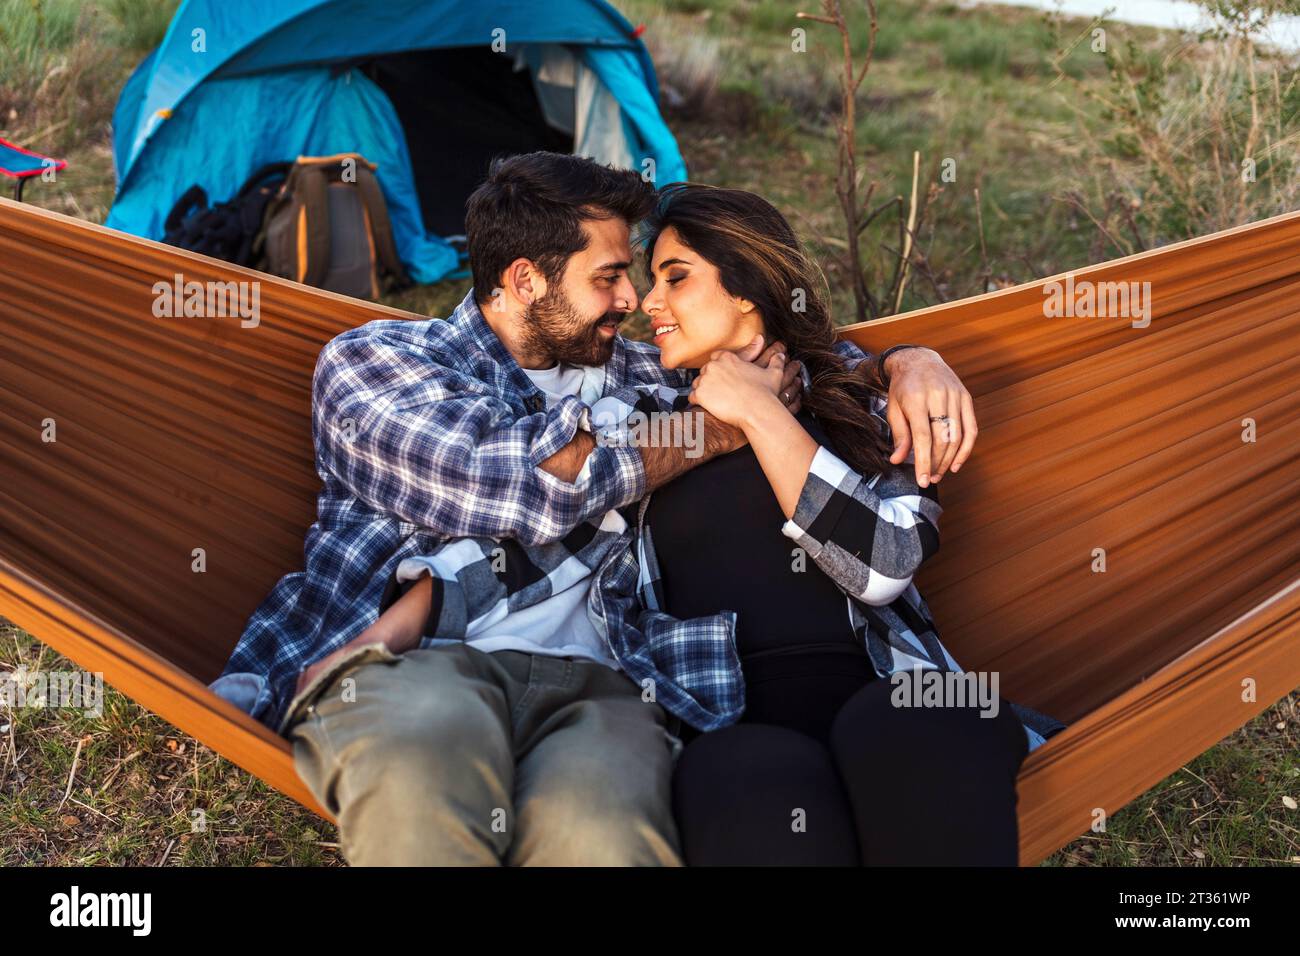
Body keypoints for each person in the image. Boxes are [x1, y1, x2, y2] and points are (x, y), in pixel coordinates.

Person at [210, 152, 979, 866]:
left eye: (651, 278)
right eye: (612, 277)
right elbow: (528, 486)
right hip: (424, 669)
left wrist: (908, 362)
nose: (634, 303)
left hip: (610, 683)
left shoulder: (632, 371)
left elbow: (787, 357)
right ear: (526, 281)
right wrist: (715, 428)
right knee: (425, 764)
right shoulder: (380, 360)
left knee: (607, 835)